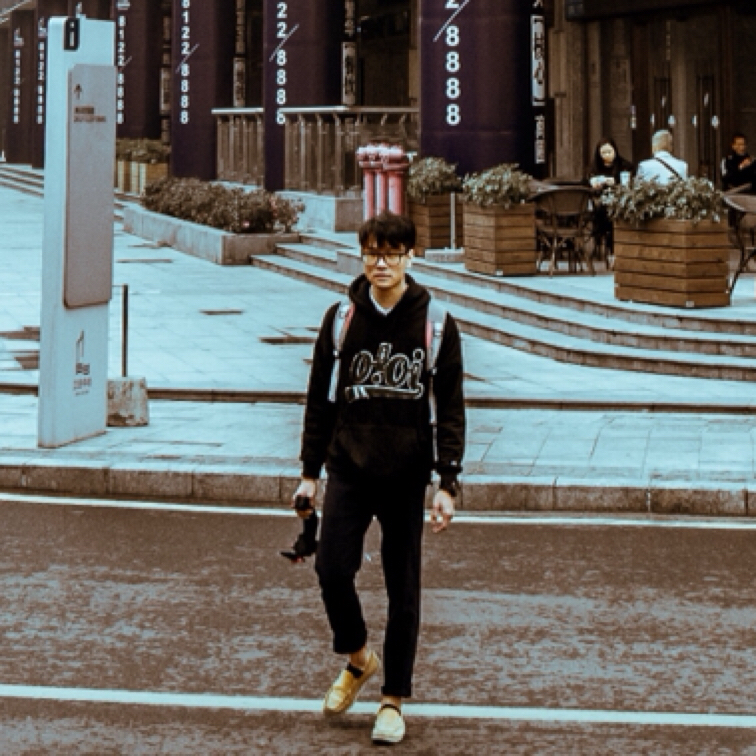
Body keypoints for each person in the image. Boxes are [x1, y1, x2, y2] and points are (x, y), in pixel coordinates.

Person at [293, 210, 465, 746]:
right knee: (331, 570)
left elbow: (451, 409)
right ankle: (358, 658)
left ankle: (393, 700)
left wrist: (448, 482)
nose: (381, 263)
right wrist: (308, 473)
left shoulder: (435, 323)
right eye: (372, 252)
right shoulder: (341, 319)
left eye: (392, 253)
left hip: (406, 474)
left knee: (402, 587)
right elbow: (319, 400)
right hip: (349, 467)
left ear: (411, 256)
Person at [586, 137, 634, 261]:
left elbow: (629, 182)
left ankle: (611, 247)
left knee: (612, 215)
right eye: (603, 153)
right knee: (602, 212)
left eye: (609, 152)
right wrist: (594, 184)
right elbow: (587, 182)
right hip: (600, 202)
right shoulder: (594, 167)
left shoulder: (624, 166)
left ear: (615, 151)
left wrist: (615, 182)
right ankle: (603, 241)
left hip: (619, 201)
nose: (607, 155)